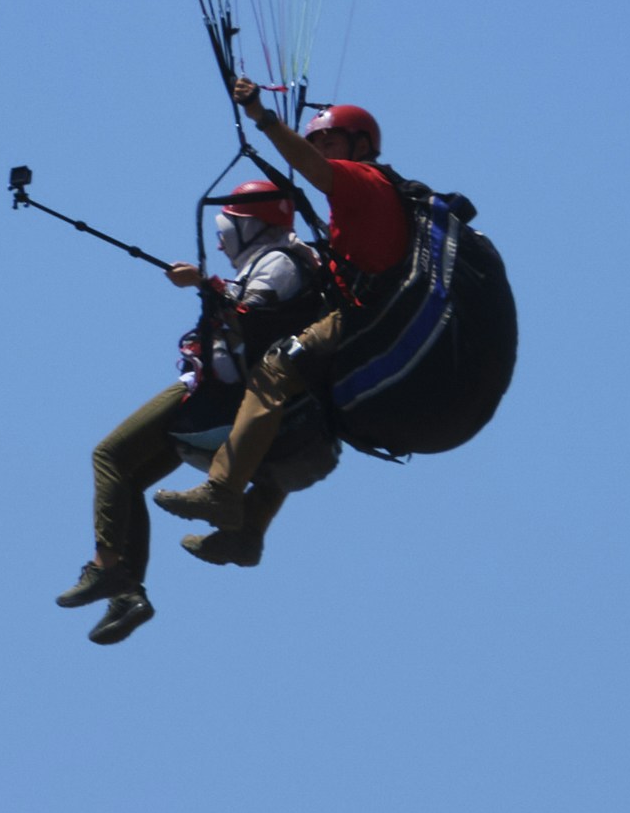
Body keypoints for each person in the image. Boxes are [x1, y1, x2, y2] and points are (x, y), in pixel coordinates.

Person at [54, 81, 514, 643]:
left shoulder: (361, 181)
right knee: (284, 388)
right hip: (363, 316)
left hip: (360, 317)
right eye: (314, 139)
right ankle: (176, 563)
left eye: (328, 140)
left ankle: (220, 497)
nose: (318, 150)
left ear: (360, 144)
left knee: (272, 374)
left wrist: (263, 118)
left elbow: (302, 198)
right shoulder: (346, 213)